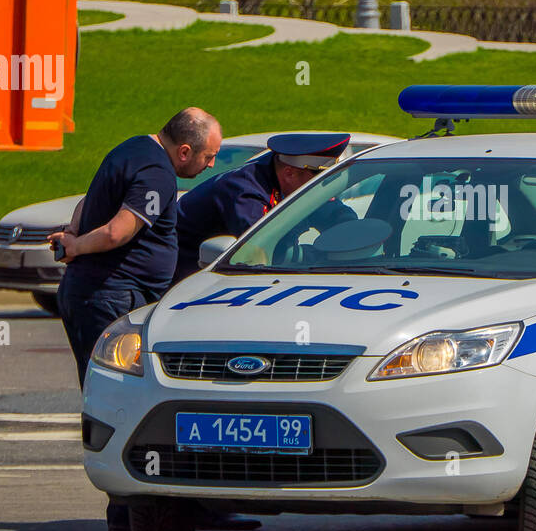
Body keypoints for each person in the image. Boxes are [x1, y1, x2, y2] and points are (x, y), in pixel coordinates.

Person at [50, 107, 222, 386]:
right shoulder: (157, 173)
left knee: (100, 386)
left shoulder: (132, 148)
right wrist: (75, 247)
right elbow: (117, 232)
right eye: (209, 156)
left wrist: (72, 231)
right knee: (117, 389)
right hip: (111, 297)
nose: (212, 165)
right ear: (185, 152)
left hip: (93, 294)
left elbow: (87, 199)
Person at [173, 132, 352, 282]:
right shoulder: (246, 192)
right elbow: (264, 253)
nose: (323, 184)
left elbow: (336, 215)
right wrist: (322, 256)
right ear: (289, 173)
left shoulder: (297, 182)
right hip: (187, 279)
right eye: (320, 178)